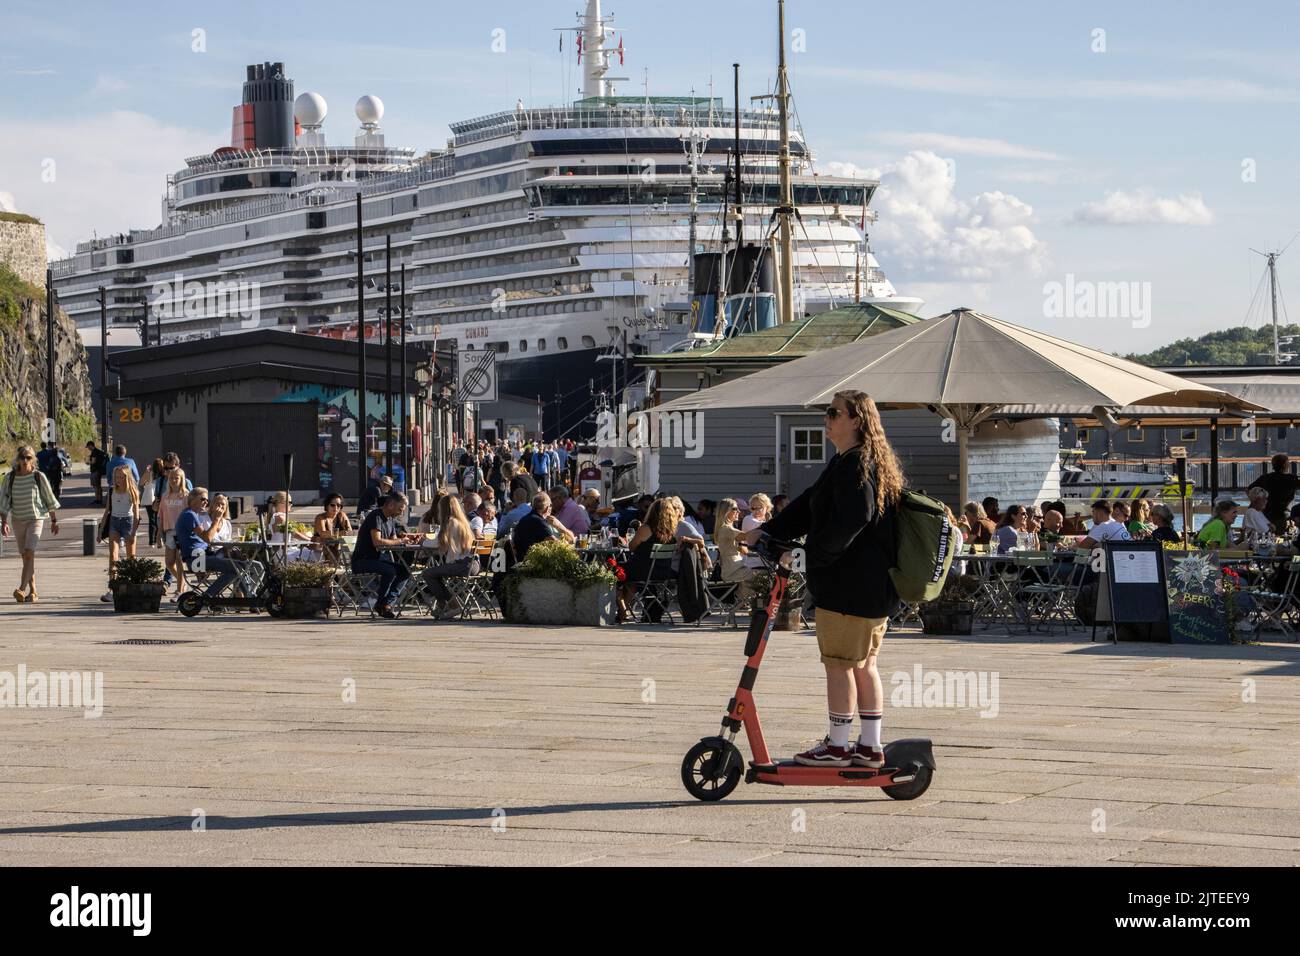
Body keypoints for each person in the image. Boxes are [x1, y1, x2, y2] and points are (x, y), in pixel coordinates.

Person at [743, 389, 903, 770]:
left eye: (834, 413)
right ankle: (869, 746)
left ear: (857, 421)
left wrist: (811, 557)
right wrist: (766, 530)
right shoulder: (853, 462)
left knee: (839, 665)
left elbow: (852, 520)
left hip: (850, 588)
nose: (826, 419)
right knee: (863, 665)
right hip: (872, 588)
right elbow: (807, 506)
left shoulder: (855, 466)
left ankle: (838, 746)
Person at [0, 445, 61, 603]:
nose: (25, 460)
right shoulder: (10, 478)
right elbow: (4, 501)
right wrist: (4, 521)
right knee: (26, 557)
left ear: (33, 459)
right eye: (23, 457)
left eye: (29, 457)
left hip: (36, 518)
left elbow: (49, 498)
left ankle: (21, 588)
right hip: (18, 520)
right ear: (18, 459)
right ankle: (33, 591)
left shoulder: (38, 476)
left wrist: (54, 521)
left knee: (29, 552)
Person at [174, 487, 251, 601]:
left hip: (203, 555)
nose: (206, 502)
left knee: (243, 564)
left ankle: (248, 598)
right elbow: (208, 538)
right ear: (192, 499)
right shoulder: (190, 515)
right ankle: (209, 596)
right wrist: (216, 519)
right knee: (236, 568)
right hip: (197, 560)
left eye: (206, 500)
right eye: (203, 499)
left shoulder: (191, 514)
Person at [351, 491, 414, 619]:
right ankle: (381, 604)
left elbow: (393, 541)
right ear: (390, 504)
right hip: (362, 561)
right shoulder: (376, 517)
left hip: (376, 560)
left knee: (405, 571)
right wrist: (400, 541)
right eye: (400, 509)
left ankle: (386, 603)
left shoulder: (390, 519)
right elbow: (377, 542)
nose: (401, 512)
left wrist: (406, 539)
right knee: (389, 571)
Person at [420, 495, 481, 618]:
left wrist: (422, 542)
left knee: (428, 573)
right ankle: (444, 605)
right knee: (436, 574)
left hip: (463, 564)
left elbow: (439, 543)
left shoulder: (450, 522)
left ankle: (451, 604)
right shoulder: (463, 522)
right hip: (473, 564)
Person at [619, 497, 679, 621]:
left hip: (644, 571)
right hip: (664, 572)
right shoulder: (672, 532)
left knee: (614, 570)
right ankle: (623, 610)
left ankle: (621, 607)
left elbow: (631, 547)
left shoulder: (646, 528)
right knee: (630, 579)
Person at [100, 464, 141, 602]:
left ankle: (134, 586)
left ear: (127, 477)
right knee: (113, 556)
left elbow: (136, 513)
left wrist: (134, 531)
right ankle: (112, 589)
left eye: (121, 477)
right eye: (116, 477)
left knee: (131, 557)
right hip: (114, 521)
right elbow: (107, 511)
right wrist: (100, 530)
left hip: (128, 522)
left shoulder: (132, 491)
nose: (118, 479)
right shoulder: (112, 490)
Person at [713, 497, 758, 602]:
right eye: (734, 509)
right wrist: (765, 526)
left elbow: (742, 549)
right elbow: (747, 536)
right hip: (732, 570)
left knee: (759, 574)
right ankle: (747, 600)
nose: (738, 511)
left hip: (735, 567)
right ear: (726, 511)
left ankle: (745, 600)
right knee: (760, 576)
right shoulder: (727, 529)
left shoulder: (726, 528)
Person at [511, 491, 575, 562]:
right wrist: (559, 526)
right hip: (531, 564)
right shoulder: (538, 521)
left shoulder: (528, 518)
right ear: (547, 508)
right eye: (551, 505)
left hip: (525, 560)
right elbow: (558, 546)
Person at [158, 466, 191, 594]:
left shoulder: (186, 496)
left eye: (176, 478)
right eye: (171, 478)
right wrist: (158, 534)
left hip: (182, 533)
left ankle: (179, 589)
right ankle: (182, 581)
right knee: (169, 562)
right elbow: (160, 516)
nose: (173, 480)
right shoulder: (165, 496)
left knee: (179, 561)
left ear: (181, 479)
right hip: (169, 532)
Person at [1248, 454, 1300, 533]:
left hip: (1266, 516)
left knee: (1267, 538)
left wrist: (1256, 503)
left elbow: (1248, 489)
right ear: (1285, 465)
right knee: (1282, 539)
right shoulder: (1291, 479)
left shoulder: (1265, 478)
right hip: (1283, 516)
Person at [313, 492, 353, 560]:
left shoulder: (341, 515)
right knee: (335, 548)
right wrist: (339, 533)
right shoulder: (321, 517)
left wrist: (345, 533)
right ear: (327, 506)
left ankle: (350, 562)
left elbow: (349, 532)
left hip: (339, 546)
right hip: (322, 548)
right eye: (332, 505)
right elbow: (323, 534)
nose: (336, 507)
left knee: (352, 546)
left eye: (338, 505)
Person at [140, 458, 163, 547]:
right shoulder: (163, 475)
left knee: (152, 520)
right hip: (158, 498)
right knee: (159, 519)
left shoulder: (149, 473)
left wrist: (146, 471)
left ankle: (151, 541)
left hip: (149, 499)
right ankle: (158, 539)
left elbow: (141, 483)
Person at [86, 440, 109, 505]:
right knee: (98, 486)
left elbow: (93, 461)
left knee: (96, 486)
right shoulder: (98, 451)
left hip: (95, 471)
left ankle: (97, 499)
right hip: (99, 471)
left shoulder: (94, 452)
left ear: (91, 446)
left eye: (88, 447)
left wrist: (88, 462)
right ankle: (99, 499)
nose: (88, 448)